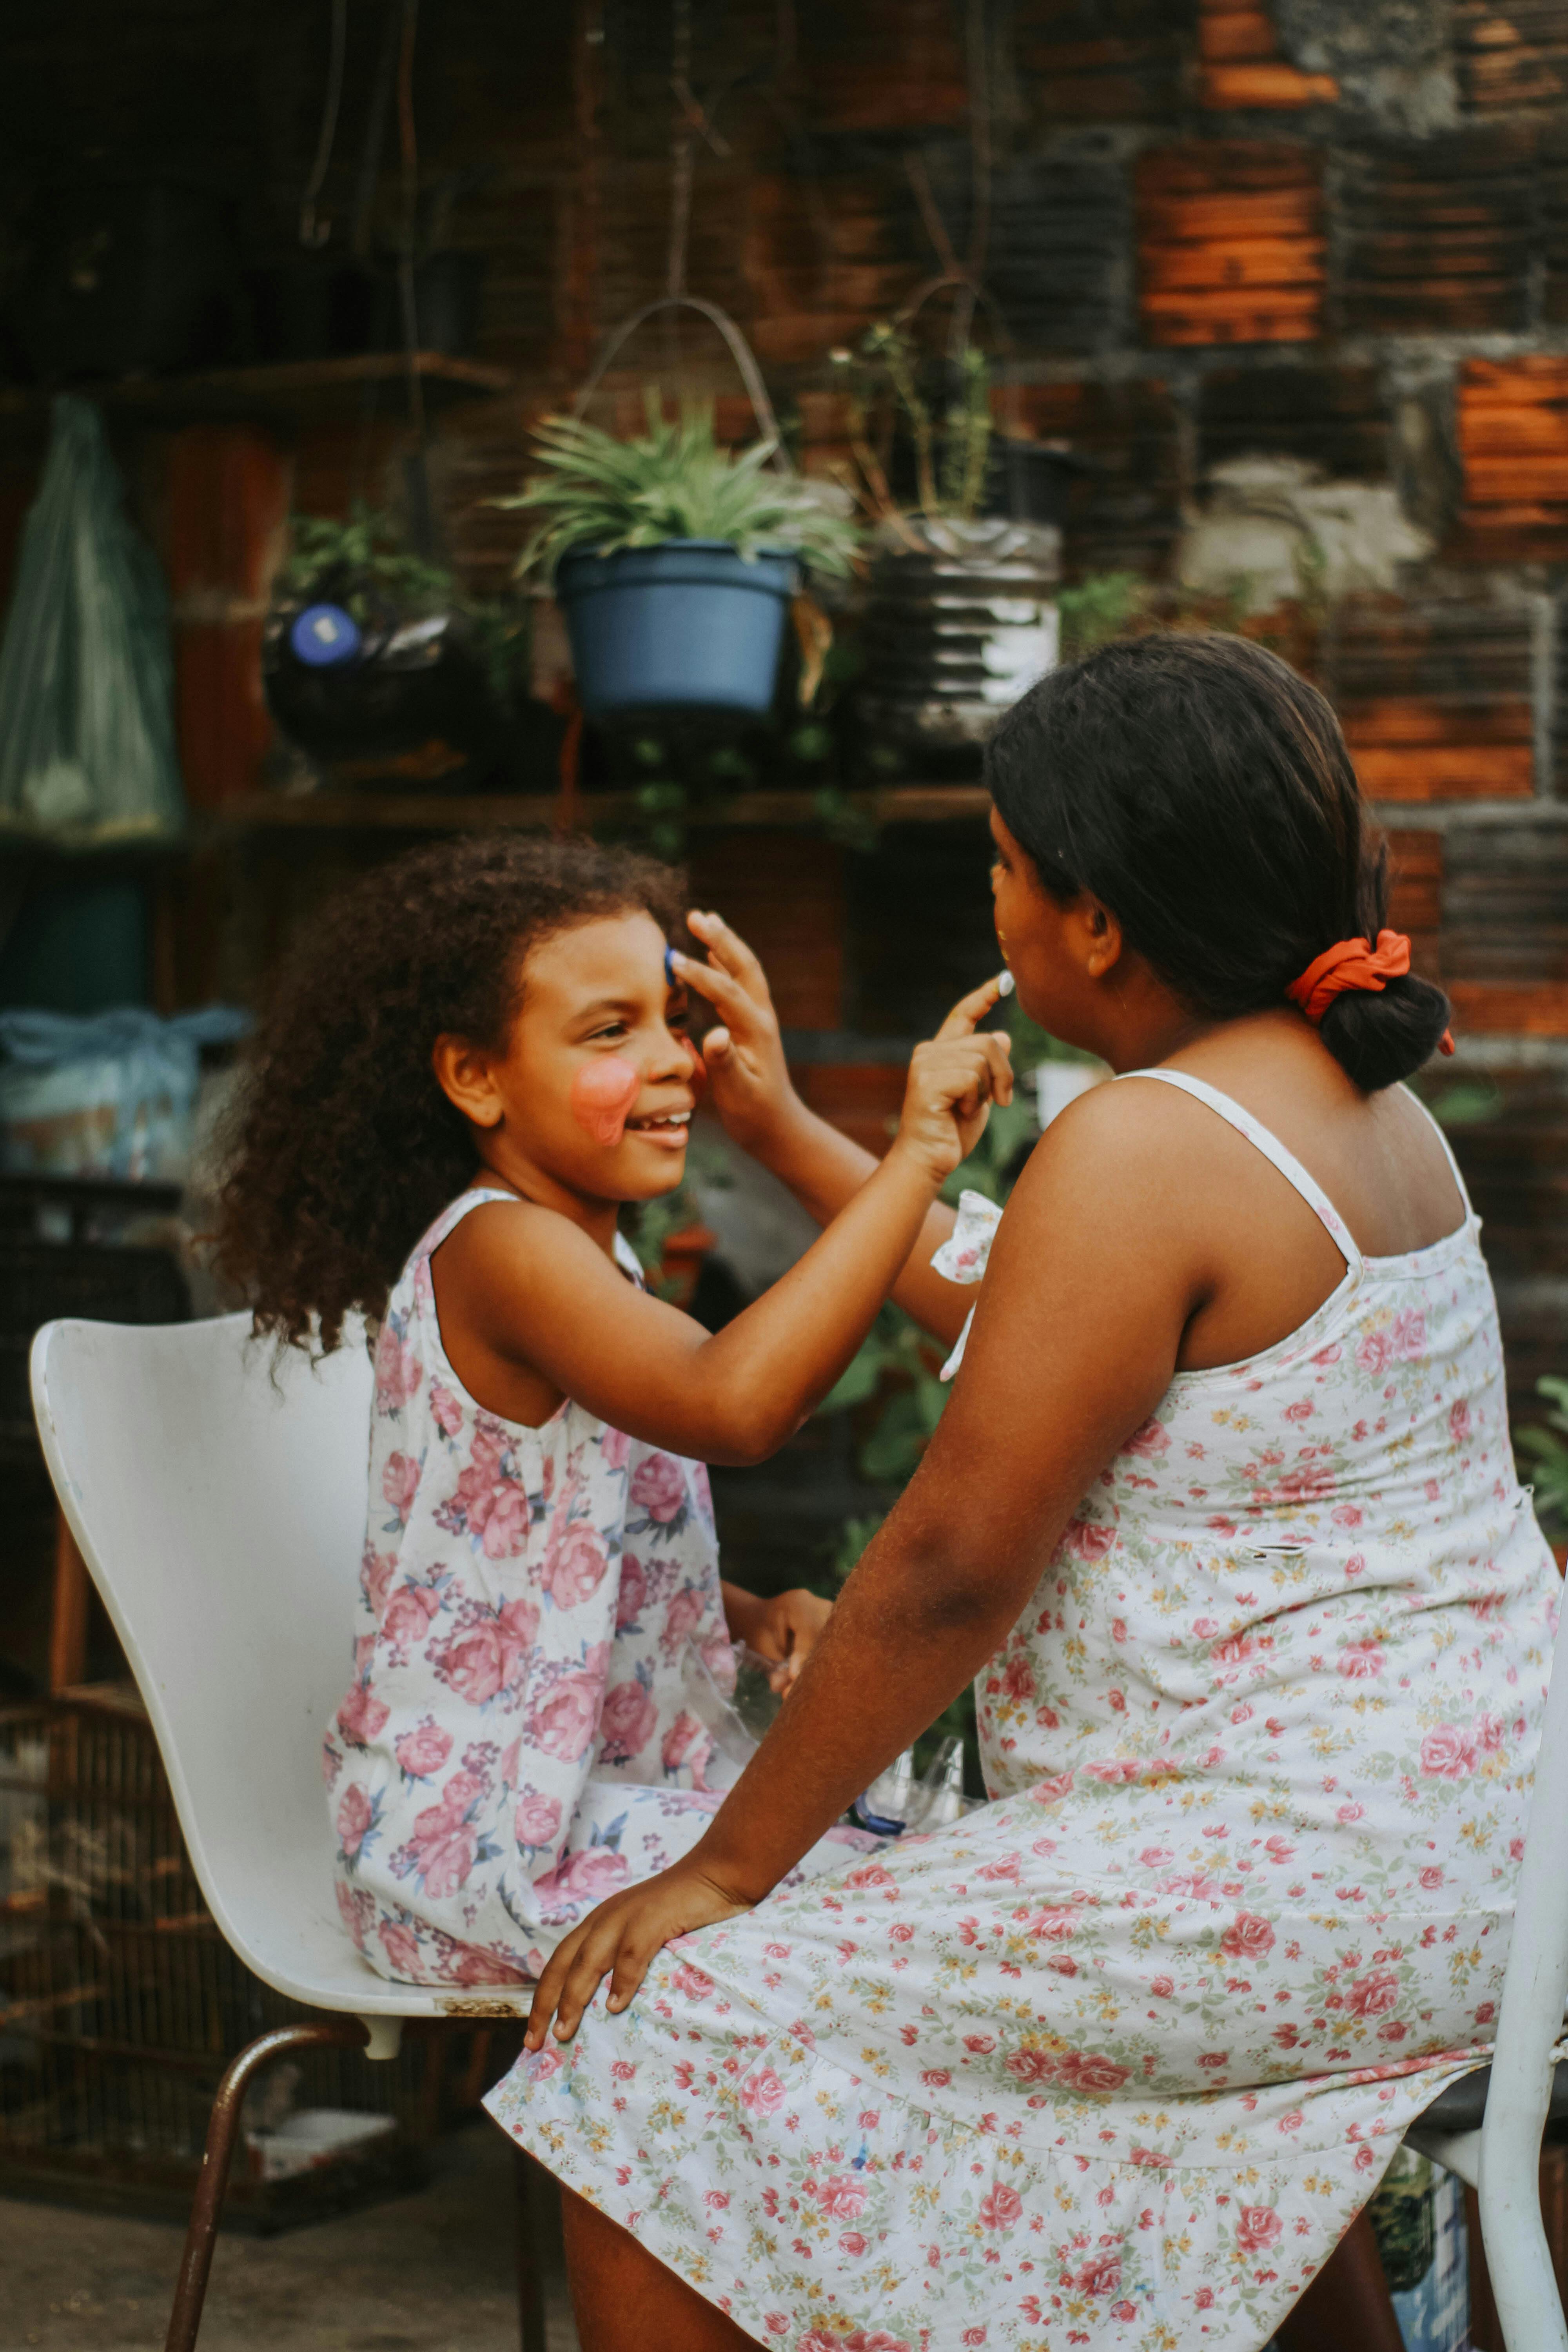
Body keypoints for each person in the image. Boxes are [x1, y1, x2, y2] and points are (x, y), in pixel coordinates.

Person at [488, 633, 1561, 2352]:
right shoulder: (1354, 1104)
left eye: (1000, 863)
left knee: (650, 2030)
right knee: (1185, 2123)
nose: (987, 900)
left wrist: (727, 1870)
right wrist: (783, 1125)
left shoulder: (1145, 1147)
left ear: (1098, 921)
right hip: (1481, 1849)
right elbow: (1036, 1313)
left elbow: (947, 1570)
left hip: (1309, 1878)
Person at [213, 833, 1009, 1986]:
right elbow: (736, 1404)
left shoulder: (592, 1261)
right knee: (900, 1913)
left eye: (673, 1022)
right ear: (474, 1076)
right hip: (478, 1852)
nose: (676, 1060)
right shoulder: (504, 1252)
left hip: (593, 1807)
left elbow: (548, 1563)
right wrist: (912, 1162)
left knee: (923, 1872)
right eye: (609, 1031)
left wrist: (742, 1615)